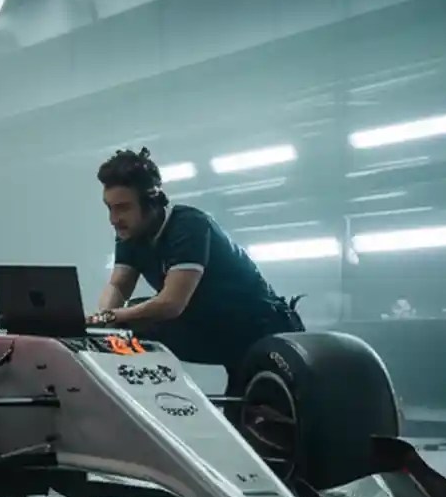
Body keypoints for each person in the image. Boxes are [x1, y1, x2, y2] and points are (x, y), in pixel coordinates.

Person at [87, 147, 303, 391]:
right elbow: (118, 285)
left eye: (123, 208)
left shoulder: (188, 226)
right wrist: (101, 321)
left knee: (135, 318)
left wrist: (110, 317)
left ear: (151, 203)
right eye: (110, 208)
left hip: (263, 330)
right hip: (216, 326)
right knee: (123, 325)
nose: (113, 219)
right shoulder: (130, 234)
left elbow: (171, 304)